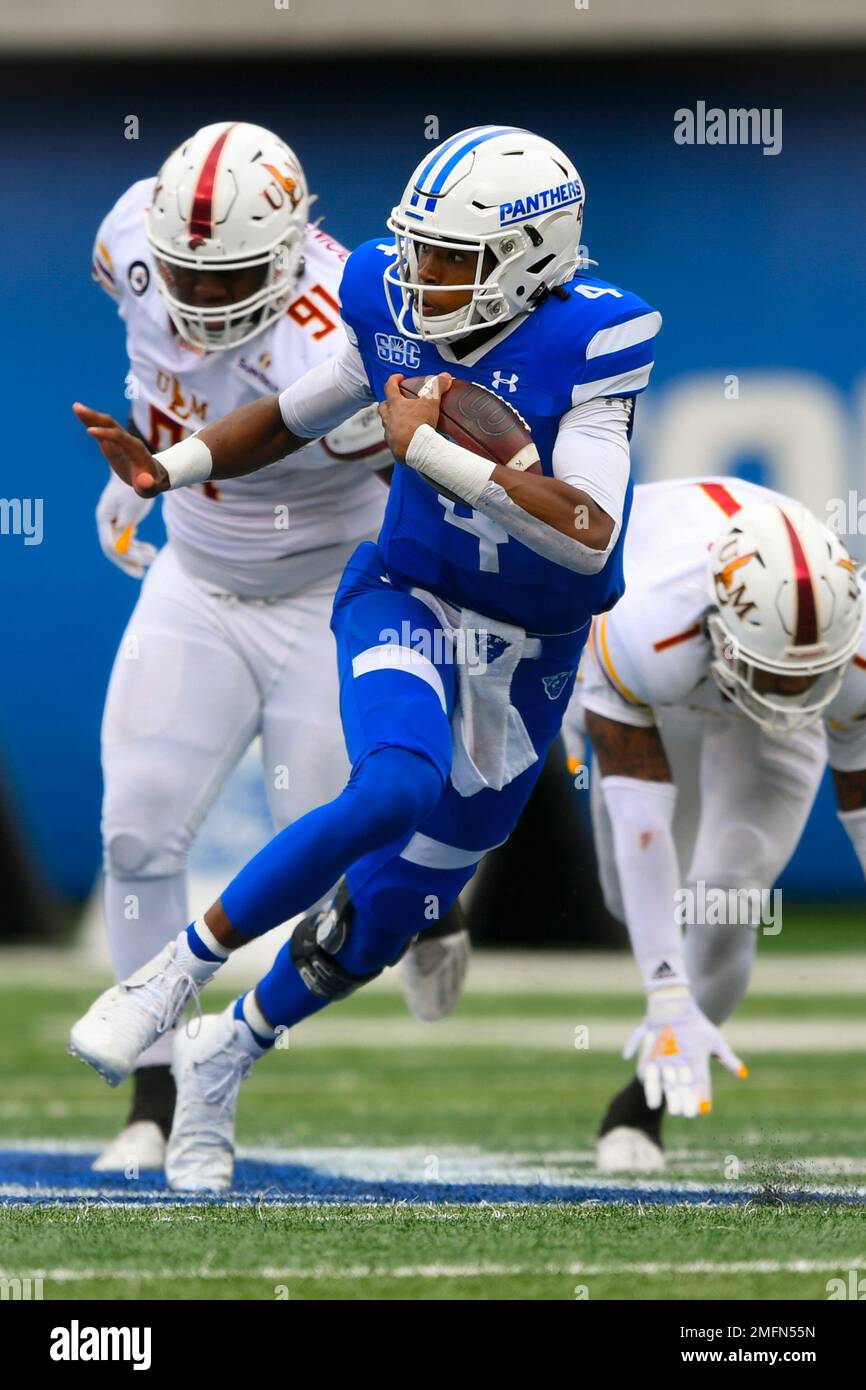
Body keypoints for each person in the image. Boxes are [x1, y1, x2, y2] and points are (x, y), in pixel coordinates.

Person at [69, 125, 661, 1190]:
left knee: (385, 911)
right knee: (391, 787)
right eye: (417, 252)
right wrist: (172, 468)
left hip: (527, 648)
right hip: (404, 594)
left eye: (449, 259)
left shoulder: (597, 343)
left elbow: (587, 534)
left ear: (529, 259)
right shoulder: (385, 299)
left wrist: (430, 449)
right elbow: (290, 420)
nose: (421, 279)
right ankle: (173, 976)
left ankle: (230, 1046)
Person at [88, 120, 394, 1171]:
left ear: (296, 246)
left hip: (324, 595)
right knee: (135, 830)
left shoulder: (346, 318)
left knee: (330, 860)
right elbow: (166, 381)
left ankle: (431, 904)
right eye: (187, 277)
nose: (204, 301)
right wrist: (135, 474)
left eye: (230, 281)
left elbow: (396, 477)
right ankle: (153, 1091)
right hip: (197, 580)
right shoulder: (127, 236)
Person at [562, 477, 866, 1173]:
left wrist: (794, 678)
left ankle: (644, 1104)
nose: (798, 695)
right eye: (782, 676)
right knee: (630, 901)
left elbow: (862, 810)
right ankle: (674, 1013)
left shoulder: (846, 651)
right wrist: (664, 988)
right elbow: (642, 815)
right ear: (721, 627)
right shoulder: (649, 624)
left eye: (811, 678)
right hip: (657, 689)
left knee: (725, 897)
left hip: (744, 690)